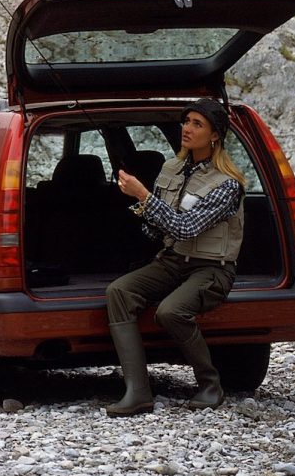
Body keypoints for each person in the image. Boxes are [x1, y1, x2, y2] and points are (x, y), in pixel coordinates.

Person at [105, 98, 245, 416]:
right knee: (119, 291)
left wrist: (143, 195)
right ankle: (138, 391)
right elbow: (160, 229)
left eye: (197, 124)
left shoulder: (227, 185)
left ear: (214, 136)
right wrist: (130, 221)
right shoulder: (171, 168)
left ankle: (210, 385)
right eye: (186, 121)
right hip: (173, 260)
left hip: (212, 269)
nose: (187, 128)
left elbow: (185, 227)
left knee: (170, 312)